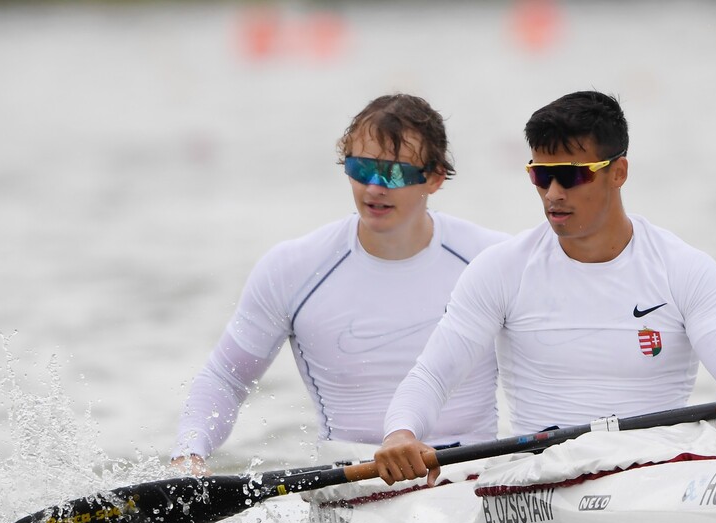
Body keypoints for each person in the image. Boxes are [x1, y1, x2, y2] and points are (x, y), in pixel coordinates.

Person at [374, 90, 716, 486]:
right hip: (544, 476)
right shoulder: (501, 270)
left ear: (618, 172)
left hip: (657, 469)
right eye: (541, 175)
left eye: (570, 175)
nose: (553, 193)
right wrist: (401, 433)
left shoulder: (685, 270)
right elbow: (432, 376)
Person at [170, 94, 507, 473]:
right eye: (361, 169)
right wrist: (189, 453)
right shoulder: (293, 268)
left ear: (435, 178)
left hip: (473, 475)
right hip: (353, 482)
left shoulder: (492, 259)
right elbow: (226, 379)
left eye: (394, 173)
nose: (374, 188)